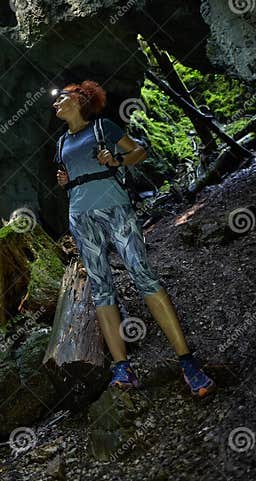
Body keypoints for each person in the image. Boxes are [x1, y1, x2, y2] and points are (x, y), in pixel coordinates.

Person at [53, 79, 216, 398]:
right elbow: (70, 177)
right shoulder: (59, 144)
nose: (55, 102)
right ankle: (122, 368)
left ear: (80, 100)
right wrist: (65, 181)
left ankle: (187, 362)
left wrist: (116, 161)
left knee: (143, 276)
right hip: (80, 217)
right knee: (101, 288)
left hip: (115, 209)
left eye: (62, 97)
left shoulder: (103, 128)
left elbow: (138, 151)